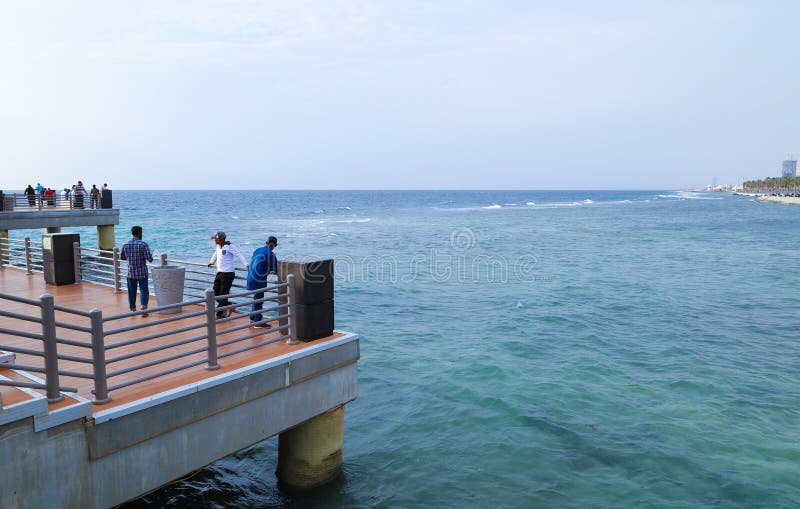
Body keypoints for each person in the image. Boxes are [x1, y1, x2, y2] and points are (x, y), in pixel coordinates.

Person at [208, 231, 248, 319]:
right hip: (219, 272)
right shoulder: (218, 246)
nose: (214, 240)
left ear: (220, 239)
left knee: (223, 294)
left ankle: (220, 314)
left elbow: (239, 255)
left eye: (215, 239)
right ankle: (230, 305)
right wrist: (211, 262)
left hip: (228, 274)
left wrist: (246, 264)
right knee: (215, 293)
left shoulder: (230, 246)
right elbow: (215, 254)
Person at [120, 226, 154, 317]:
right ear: (140, 233)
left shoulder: (125, 244)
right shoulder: (143, 244)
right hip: (142, 272)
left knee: (131, 291)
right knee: (144, 290)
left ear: (132, 233)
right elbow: (149, 259)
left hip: (131, 272)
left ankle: (132, 308)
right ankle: (143, 309)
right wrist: (151, 255)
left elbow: (122, 257)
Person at [246, 236, 278, 328]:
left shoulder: (257, 250)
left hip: (250, 276)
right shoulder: (270, 254)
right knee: (259, 300)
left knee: (256, 298)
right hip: (259, 279)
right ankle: (257, 321)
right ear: (274, 245)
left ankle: (253, 318)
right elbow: (276, 269)